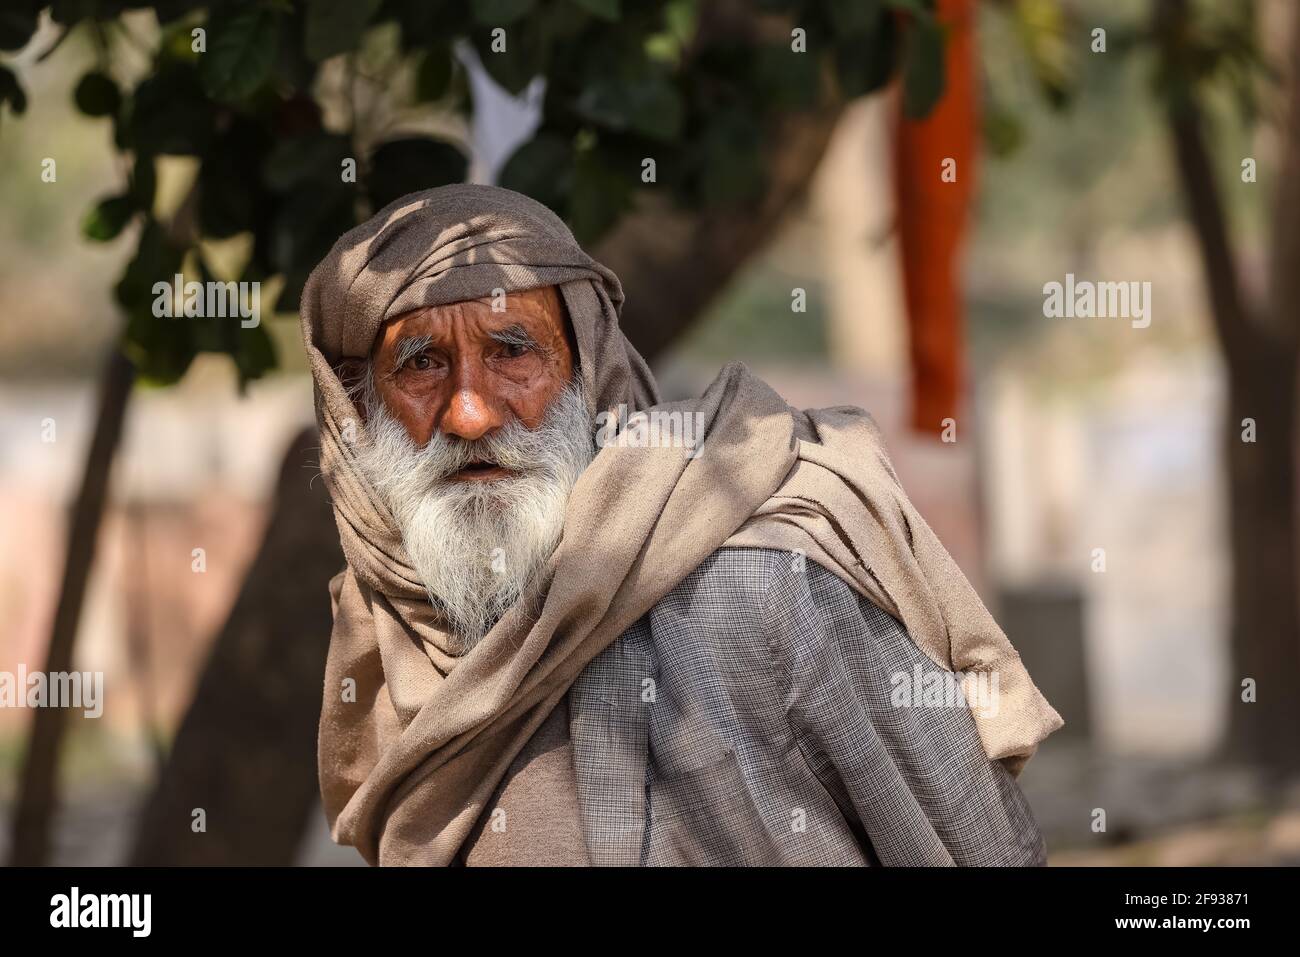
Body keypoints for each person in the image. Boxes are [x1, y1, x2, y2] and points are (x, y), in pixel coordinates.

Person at [300, 183, 1063, 866]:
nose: (470, 412)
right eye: (422, 364)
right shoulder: (382, 634)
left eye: (511, 351)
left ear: (589, 373)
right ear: (358, 411)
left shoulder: (760, 584)